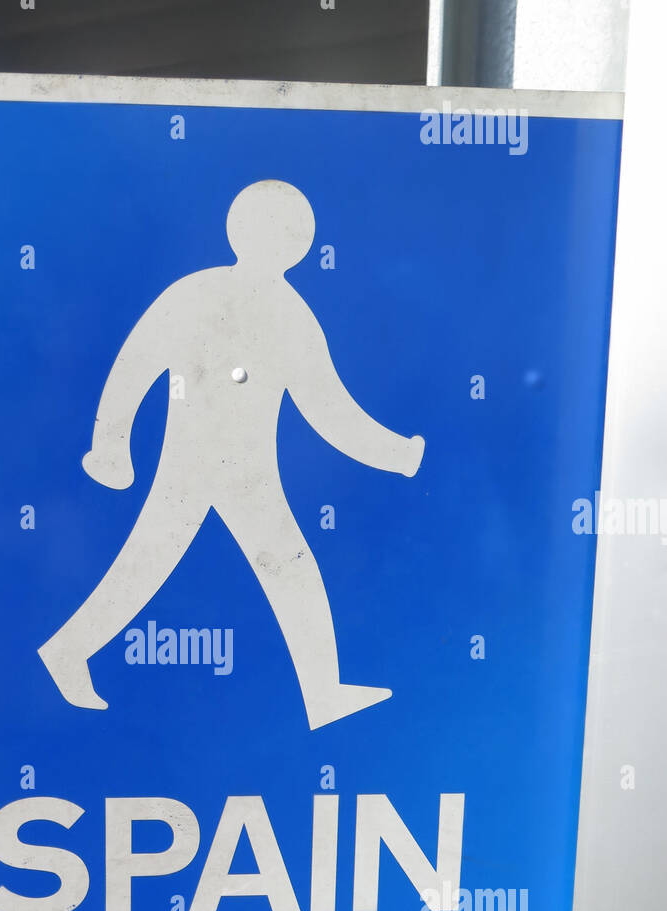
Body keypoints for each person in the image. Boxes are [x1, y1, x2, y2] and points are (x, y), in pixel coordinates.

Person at [39, 180, 424, 730]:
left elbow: (329, 409)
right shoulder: (219, 299)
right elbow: (137, 363)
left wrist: (395, 454)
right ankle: (67, 652)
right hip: (197, 466)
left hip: (246, 473)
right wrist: (109, 446)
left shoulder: (278, 312)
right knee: (154, 567)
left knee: (271, 568)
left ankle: (323, 693)